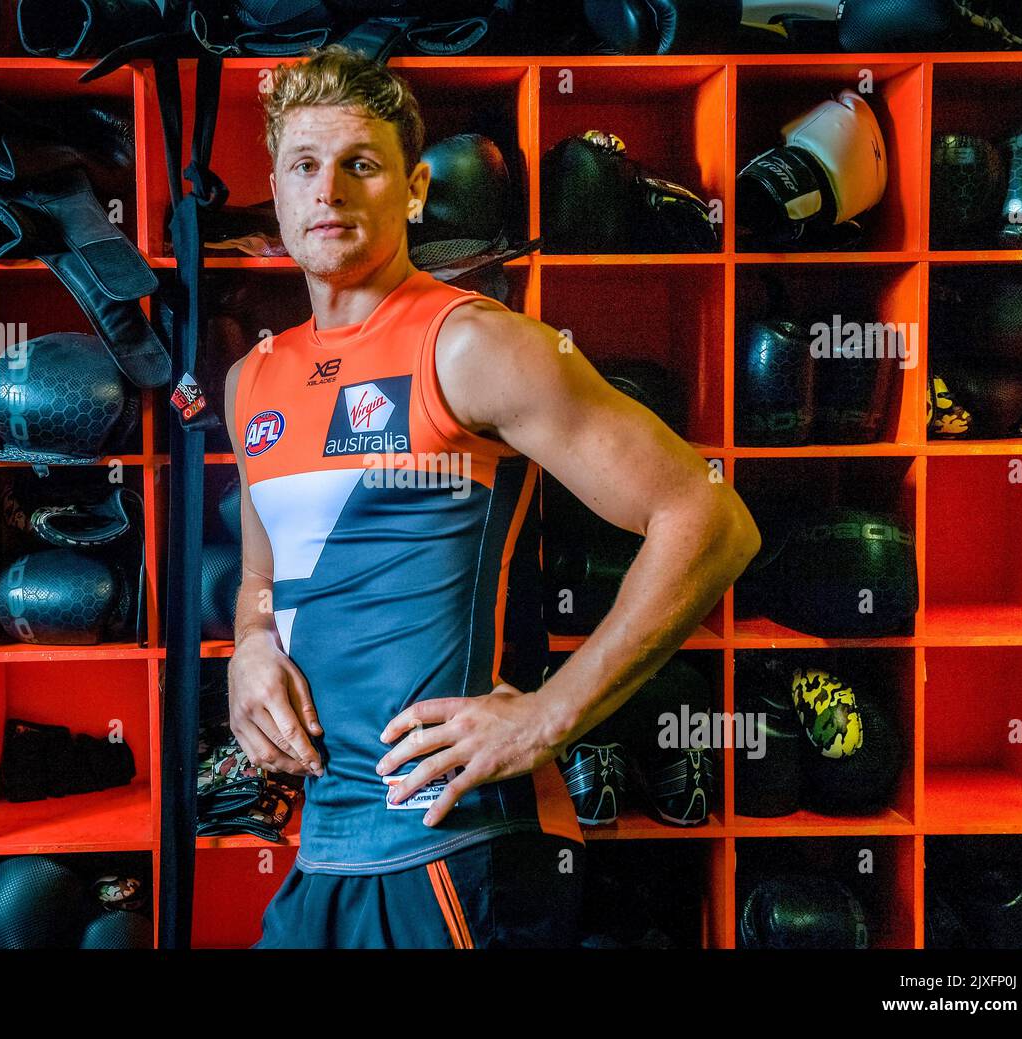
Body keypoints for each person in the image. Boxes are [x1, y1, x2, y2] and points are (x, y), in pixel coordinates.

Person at [223, 45, 761, 949]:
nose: (330, 192)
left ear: (415, 188)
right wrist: (246, 649)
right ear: (275, 189)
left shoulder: (472, 344)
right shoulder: (252, 380)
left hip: (461, 848)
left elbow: (710, 518)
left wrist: (549, 715)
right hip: (325, 847)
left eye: (362, 164)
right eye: (305, 167)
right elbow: (259, 583)